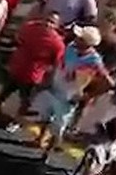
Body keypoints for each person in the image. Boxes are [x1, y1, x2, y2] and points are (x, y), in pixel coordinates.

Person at [31, 26, 106, 155]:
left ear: (87, 43)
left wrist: (87, 96)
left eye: (80, 38)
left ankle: (49, 151)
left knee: (59, 124)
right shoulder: (71, 47)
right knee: (45, 113)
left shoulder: (94, 60)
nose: (76, 38)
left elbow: (108, 82)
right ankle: (40, 139)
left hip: (69, 95)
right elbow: (61, 63)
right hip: (57, 86)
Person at [0, 10, 65, 130]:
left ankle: (17, 121)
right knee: (6, 90)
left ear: (57, 26)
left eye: (52, 22)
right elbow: (17, 40)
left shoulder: (57, 44)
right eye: (47, 20)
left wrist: (48, 79)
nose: (48, 24)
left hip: (32, 75)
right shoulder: (29, 27)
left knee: (25, 100)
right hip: (17, 67)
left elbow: (56, 63)